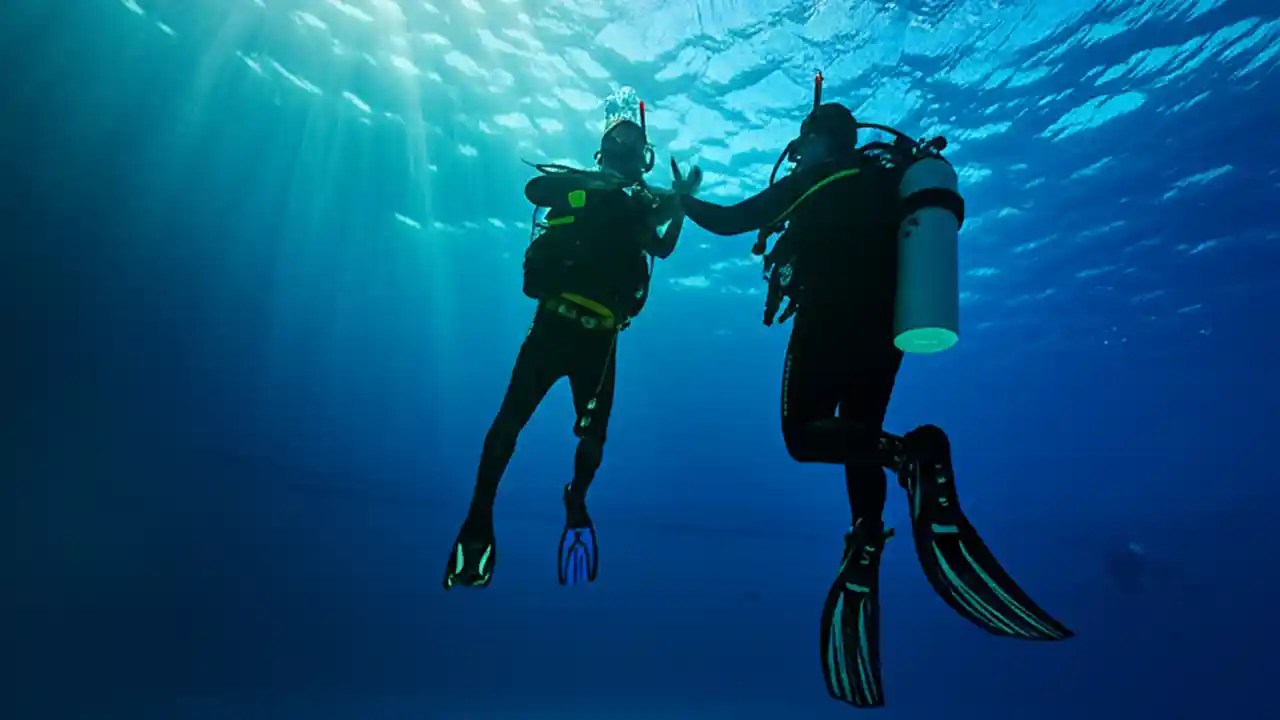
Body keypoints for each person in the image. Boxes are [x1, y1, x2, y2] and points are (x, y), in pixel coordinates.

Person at [670, 90, 1072, 707]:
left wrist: (682, 199)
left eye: (801, 145)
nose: (797, 155)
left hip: (830, 316)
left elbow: (729, 221)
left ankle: (907, 459)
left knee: (804, 436)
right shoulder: (885, 182)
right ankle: (867, 531)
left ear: (817, 140)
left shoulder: (818, 177)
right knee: (858, 431)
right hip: (890, 324)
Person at [443, 106, 700, 591]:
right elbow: (534, 190)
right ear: (604, 150)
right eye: (619, 142)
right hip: (551, 327)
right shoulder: (580, 186)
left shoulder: (640, 207)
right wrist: (595, 183)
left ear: (643, 158)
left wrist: (683, 199)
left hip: (600, 340)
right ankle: (479, 514)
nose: (626, 151)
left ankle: (576, 497)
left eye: (634, 146)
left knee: (593, 438)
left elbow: (663, 246)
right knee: (507, 425)